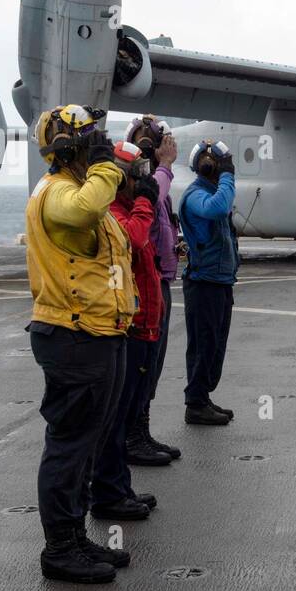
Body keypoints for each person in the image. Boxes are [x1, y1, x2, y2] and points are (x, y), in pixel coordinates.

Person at [24, 103, 136, 584]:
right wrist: (108, 163)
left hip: (100, 333)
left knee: (88, 442)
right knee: (69, 445)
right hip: (72, 337)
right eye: (90, 139)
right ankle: (59, 549)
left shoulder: (81, 190)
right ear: (70, 147)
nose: (99, 145)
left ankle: (75, 534)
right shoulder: (57, 194)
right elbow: (88, 208)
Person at [87, 140, 163, 521]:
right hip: (127, 329)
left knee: (127, 410)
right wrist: (146, 202)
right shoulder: (112, 214)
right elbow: (132, 240)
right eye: (138, 176)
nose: (143, 183)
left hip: (142, 326)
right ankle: (107, 494)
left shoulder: (131, 209)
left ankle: (119, 488)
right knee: (114, 418)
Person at [124, 114, 182, 463]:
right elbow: (154, 195)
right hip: (148, 283)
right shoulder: (140, 183)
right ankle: (133, 436)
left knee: (153, 362)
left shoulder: (149, 181)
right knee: (144, 362)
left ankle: (141, 430)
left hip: (159, 277)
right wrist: (166, 165)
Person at [179, 139, 240, 426]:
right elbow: (217, 209)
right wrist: (228, 175)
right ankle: (196, 403)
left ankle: (203, 397)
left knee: (215, 344)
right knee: (204, 344)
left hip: (219, 281)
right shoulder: (196, 195)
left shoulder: (211, 192)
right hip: (204, 283)